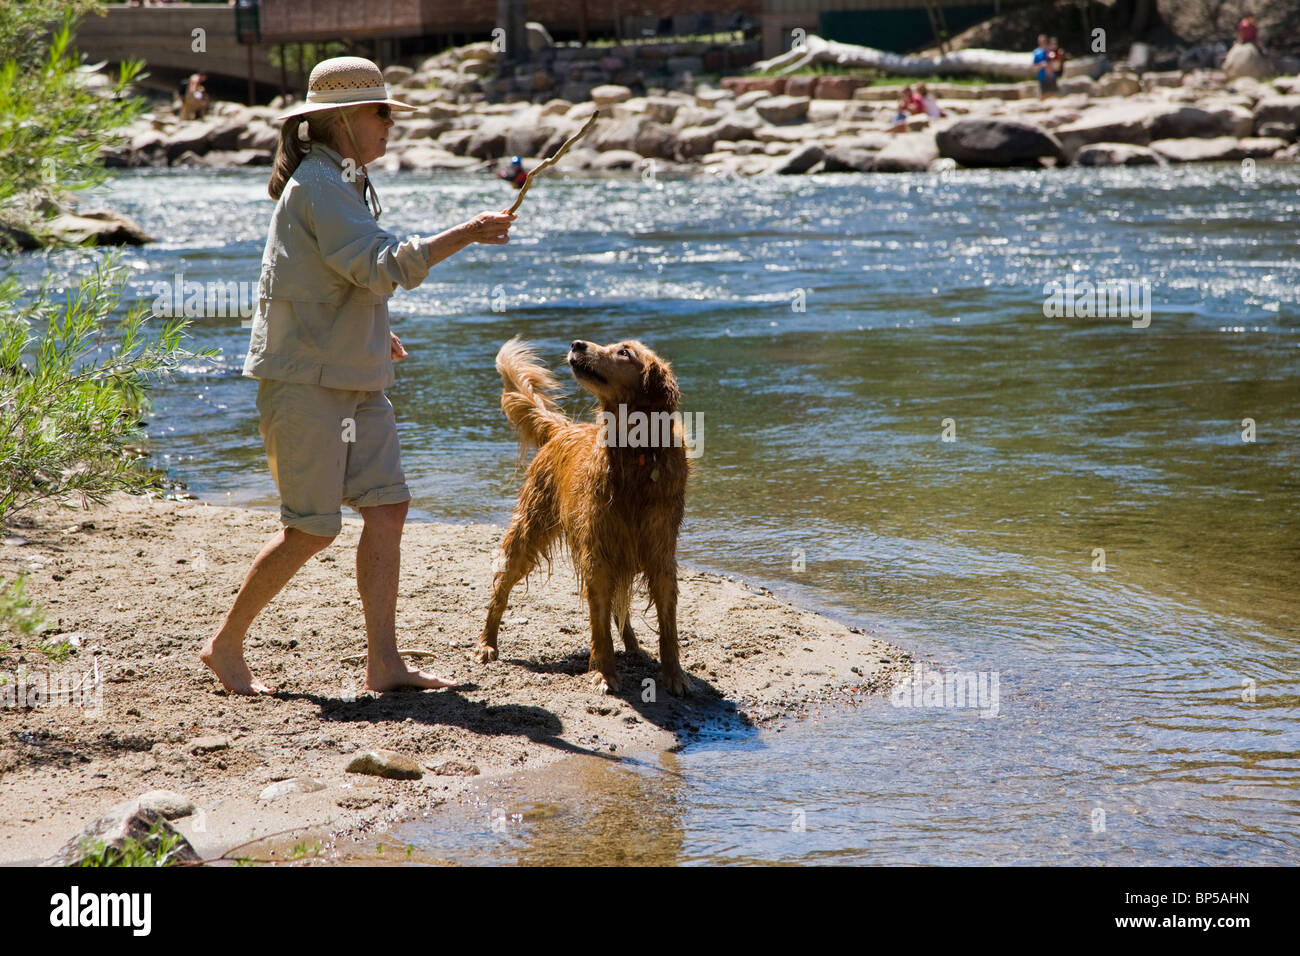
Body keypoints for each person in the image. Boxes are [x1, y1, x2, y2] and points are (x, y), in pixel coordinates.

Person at [201, 56, 516, 695]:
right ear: (343, 118)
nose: (392, 124)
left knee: (388, 505)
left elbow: (339, 280)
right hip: (305, 380)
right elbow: (378, 266)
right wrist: (470, 232)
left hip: (351, 373)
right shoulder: (319, 185)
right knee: (311, 528)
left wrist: (375, 331)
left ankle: (384, 664)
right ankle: (224, 645)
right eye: (383, 112)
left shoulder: (341, 179)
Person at [1032, 34, 1057, 99]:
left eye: (1044, 41)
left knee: (1054, 97)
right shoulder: (1036, 53)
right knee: (1044, 97)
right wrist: (1041, 65)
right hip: (1042, 78)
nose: (1043, 43)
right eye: (1041, 41)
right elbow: (1034, 68)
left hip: (1052, 77)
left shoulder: (1051, 52)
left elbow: (1057, 66)